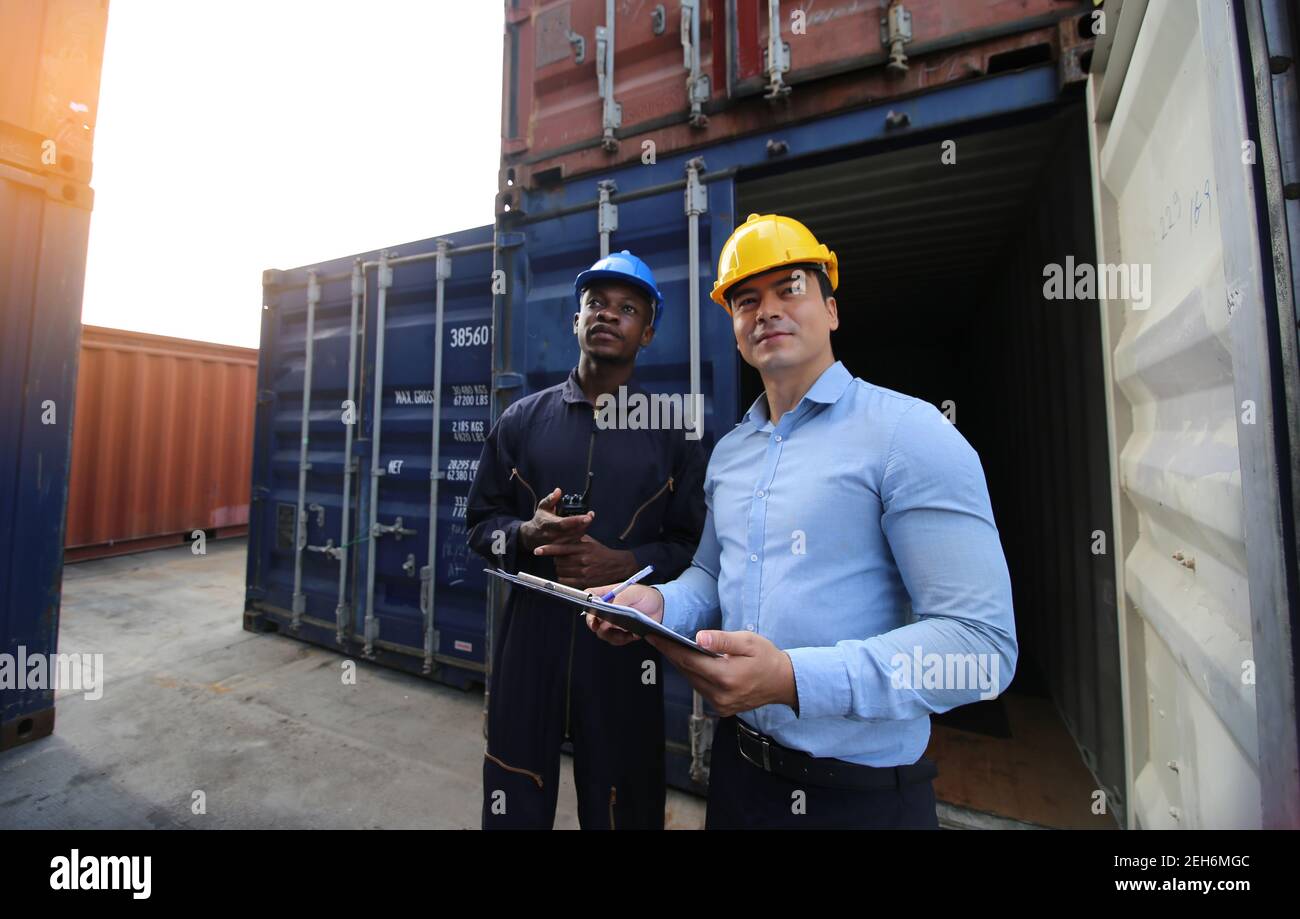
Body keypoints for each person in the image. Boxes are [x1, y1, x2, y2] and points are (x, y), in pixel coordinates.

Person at [586, 215, 1017, 829]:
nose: (766, 311)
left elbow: (981, 647)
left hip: (859, 800)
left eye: (790, 288)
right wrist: (655, 605)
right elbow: (711, 576)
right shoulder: (731, 453)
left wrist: (791, 679)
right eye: (745, 299)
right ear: (734, 329)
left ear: (832, 310)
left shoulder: (909, 434)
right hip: (739, 783)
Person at [466, 250, 707, 829]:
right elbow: (480, 527)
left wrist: (622, 563)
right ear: (576, 320)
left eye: (627, 308)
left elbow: (695, 549)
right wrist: (524, 533)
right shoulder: (522, 421)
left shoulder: (676, 432)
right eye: (595, 303)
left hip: (624, 645)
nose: (607, 314)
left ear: (646, 332)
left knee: (625, 800)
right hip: (531, 638)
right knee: (514, 789)